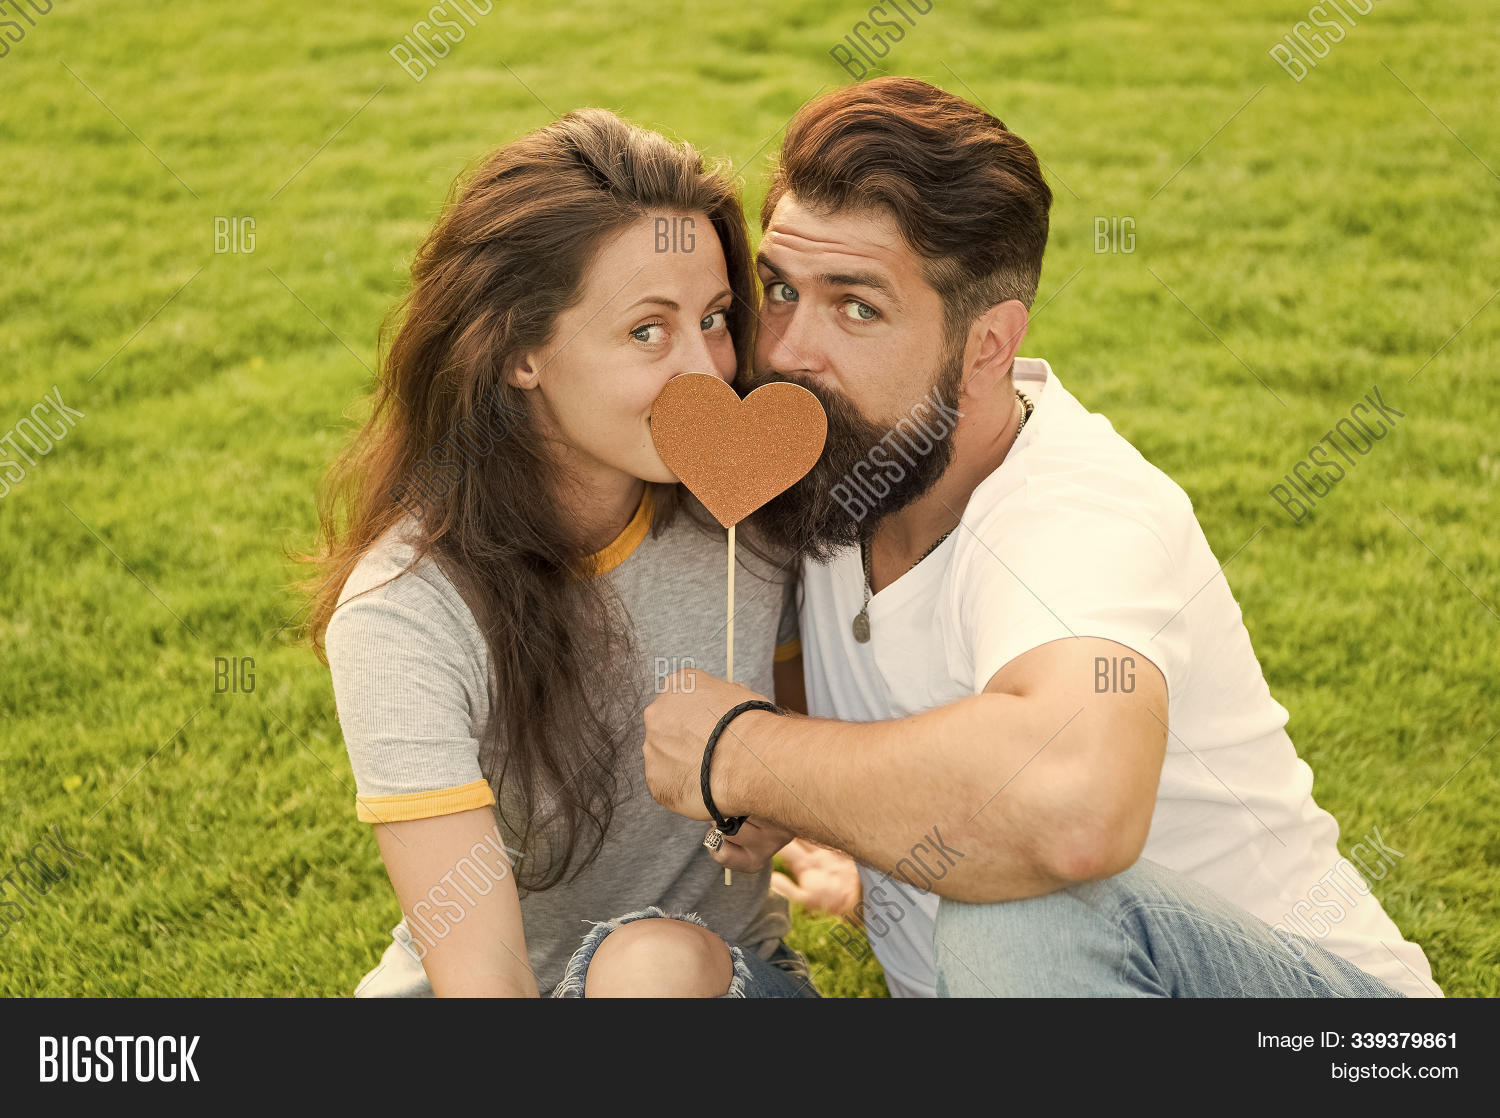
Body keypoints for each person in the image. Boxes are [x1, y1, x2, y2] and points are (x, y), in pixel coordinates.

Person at [641, 77, 1441, 998]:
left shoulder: (1079, 515)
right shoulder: (831, 460)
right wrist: (866, 850)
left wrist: (742, 756)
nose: (785, 351)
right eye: (779, 289)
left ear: (988, 347)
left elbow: (1072, 809)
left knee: (1030, 906)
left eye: (857, 306)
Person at [306, 108, 817, 998]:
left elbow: (820, 751)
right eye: (647, 331)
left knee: (651, 964)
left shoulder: (755, 519)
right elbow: (483, 981)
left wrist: (788, 792)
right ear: (519, 353)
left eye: (716, 318)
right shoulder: (406, 609)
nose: (706, 373)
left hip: (715, 983)